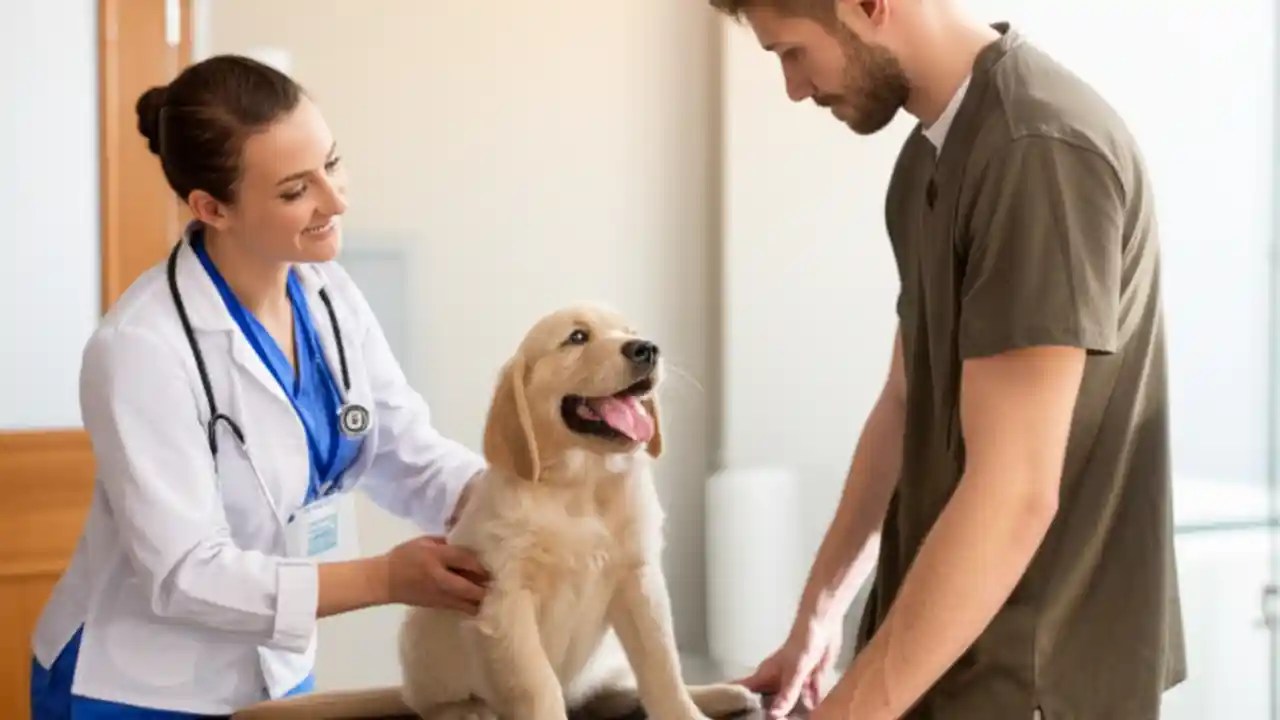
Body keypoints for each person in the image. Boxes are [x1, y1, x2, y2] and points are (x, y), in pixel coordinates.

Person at [708, 1, 1185, 718]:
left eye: (791, 53)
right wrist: (820, 615)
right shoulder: (930, 159)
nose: (794, 89)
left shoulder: (1037, 150)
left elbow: (1016, 489)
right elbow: (906, 400)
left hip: (1034, 681)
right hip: (949, 669)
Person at [29, 54, 491, 719]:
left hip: (274, 669)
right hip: (138, 685)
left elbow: (401, 446)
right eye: (294, 189)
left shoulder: (328, 293)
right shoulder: (140, 350)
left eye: (332, 165)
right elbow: (185, 573)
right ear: (211, 206)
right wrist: (385, 578)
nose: (335, 202)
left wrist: (503, 504)